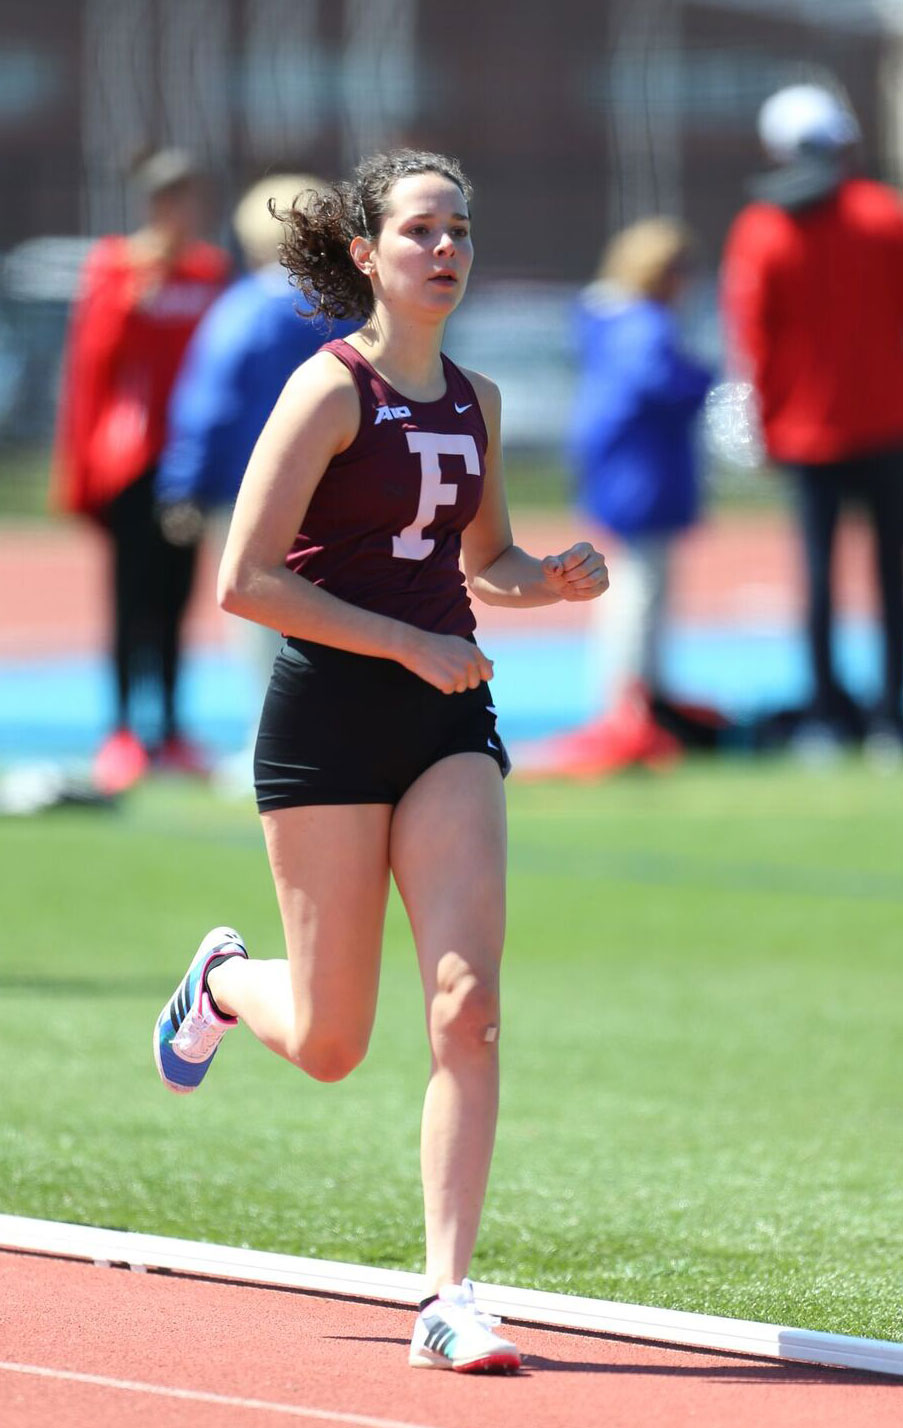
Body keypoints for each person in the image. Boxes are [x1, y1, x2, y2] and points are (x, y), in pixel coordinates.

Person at [152, 148, 608, 1373]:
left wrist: (549, 580)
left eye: (461, 229)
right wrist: (407, 641)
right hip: (329, 724)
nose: (447, 249)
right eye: (421, 230)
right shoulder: (326, 390)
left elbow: (485, 561)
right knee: (333, 1043)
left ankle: (450, 1294)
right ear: (366, 253)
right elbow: (247, 581)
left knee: (469, 1008)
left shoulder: (478, 400)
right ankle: (223, 986)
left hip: (447, 724)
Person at [155, 174, 355, 792]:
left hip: (255, 495)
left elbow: (208, 406)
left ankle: (274, 745)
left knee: (261, 625)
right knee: (344, 618)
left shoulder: (244, 309)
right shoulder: (355, 309)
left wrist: (182, 486)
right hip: (345, 490)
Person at [722, 84, 903, 754]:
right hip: (888, 424)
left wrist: (764, 425)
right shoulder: (885, 215)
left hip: (807, 433)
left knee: (820, 577)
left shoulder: (763, 228)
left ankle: (827, 716)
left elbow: (754, 340)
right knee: (892, 577)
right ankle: (889, 717)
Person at [52, 149, 231, 793]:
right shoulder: (115, 266)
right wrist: (134, 298)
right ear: (152, 204)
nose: (182, 211)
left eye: (191, 198)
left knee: (179, 596)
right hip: (130, 461)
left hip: (188, 464)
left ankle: (174, 731)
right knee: (131, 599)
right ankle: (124, 729)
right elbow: (93, 361)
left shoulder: (210, 273)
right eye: (170, 198)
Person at [521, 218, 712, 778]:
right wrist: (701, 378)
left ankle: (641, 695)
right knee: (639, 589)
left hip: (622, 467)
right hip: (641, 470)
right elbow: (659, 383)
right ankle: (630, 705)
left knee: (635, 586)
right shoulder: (641, 323)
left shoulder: (604, 317)